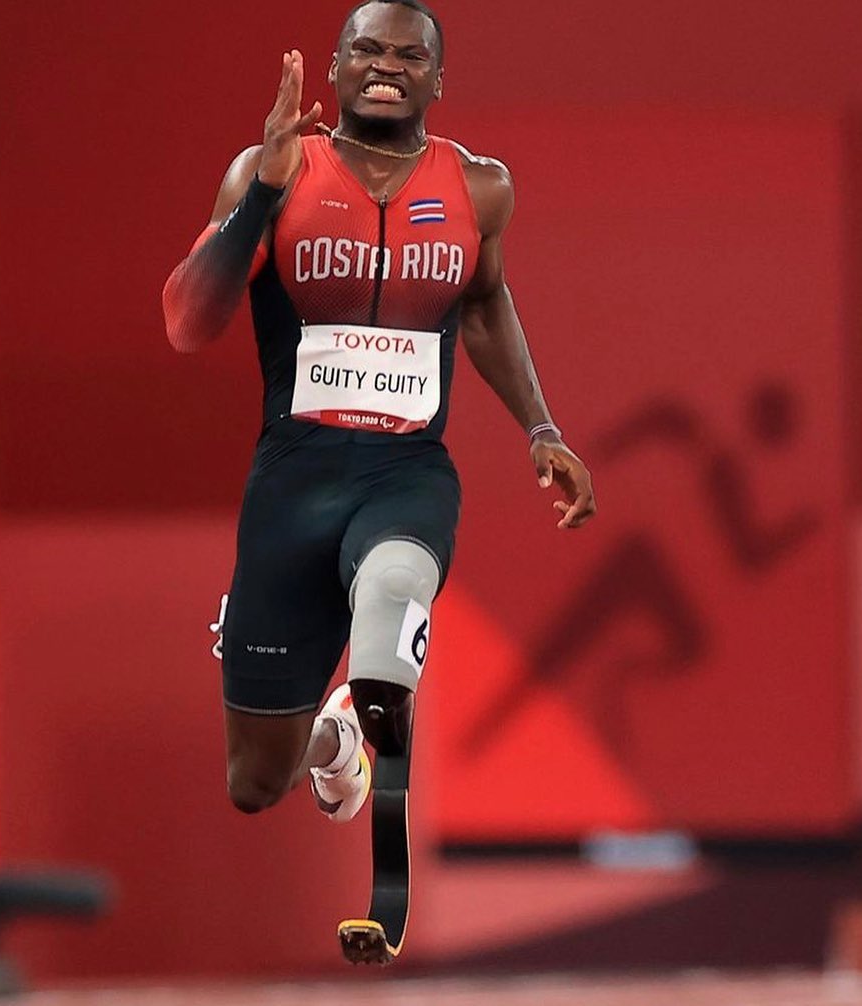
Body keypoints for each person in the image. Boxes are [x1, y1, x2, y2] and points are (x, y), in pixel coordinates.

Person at [162, 0, 596, 826]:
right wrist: (262, 193)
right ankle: (335, 748)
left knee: (392, 594)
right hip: (292, 484)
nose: (387, 66)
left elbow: (485, 305)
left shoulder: (480, 187)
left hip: (406, 473)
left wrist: (543, 430)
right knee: (256, 782)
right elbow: (190, 322)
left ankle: (373, 683)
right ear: (334, 68)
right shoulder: (270, 167)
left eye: (409, 55)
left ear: (439, 77)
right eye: (367, 50)